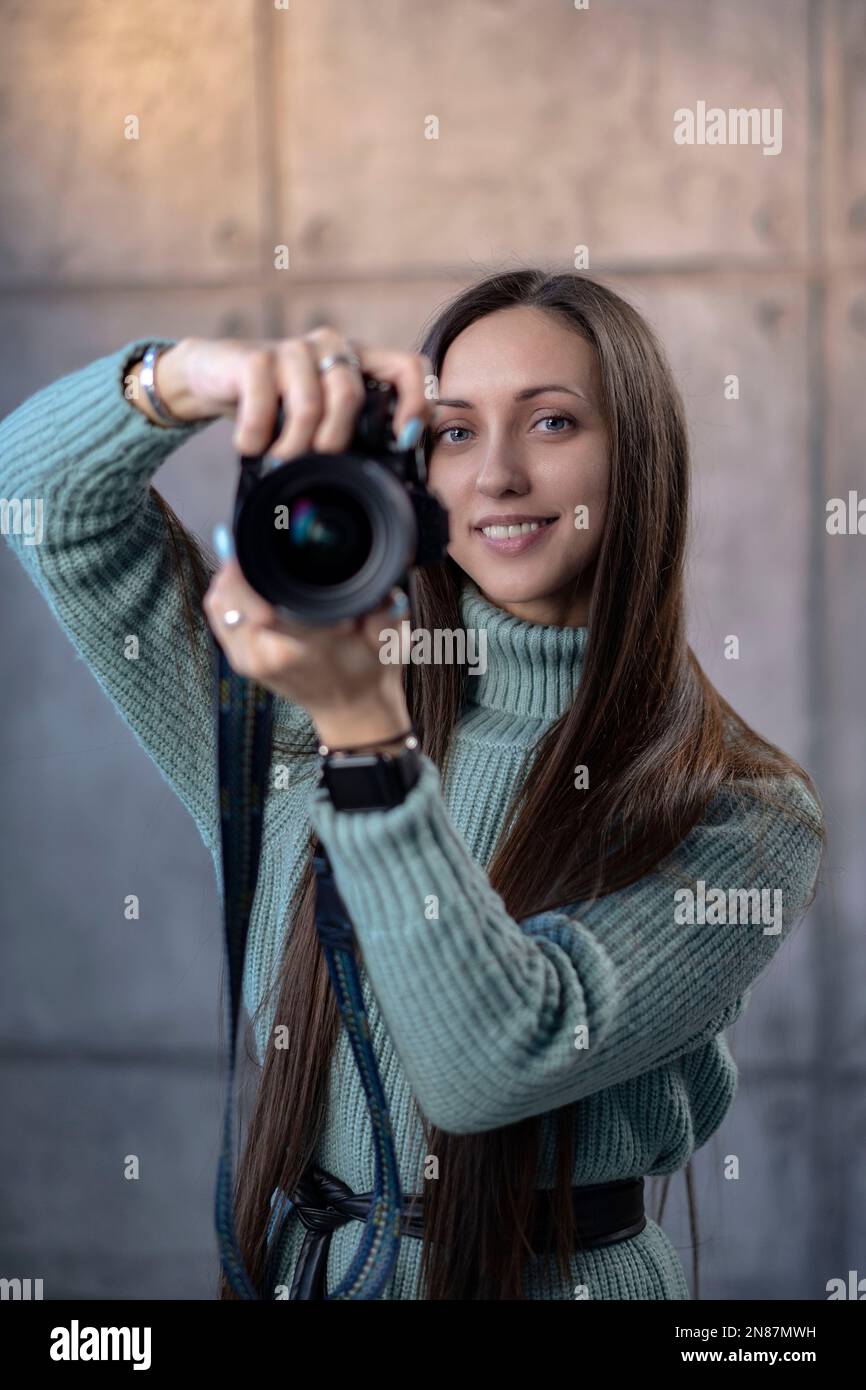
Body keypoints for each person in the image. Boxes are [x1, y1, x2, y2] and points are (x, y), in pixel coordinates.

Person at [0, 268, 825, 1301]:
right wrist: (209, 376)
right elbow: (42, 494)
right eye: (453, 432)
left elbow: (486, 1063)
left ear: (641, 459)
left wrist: (365, 741)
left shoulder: (739, 812)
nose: (498, 477)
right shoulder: (288, 716)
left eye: (553, 422)